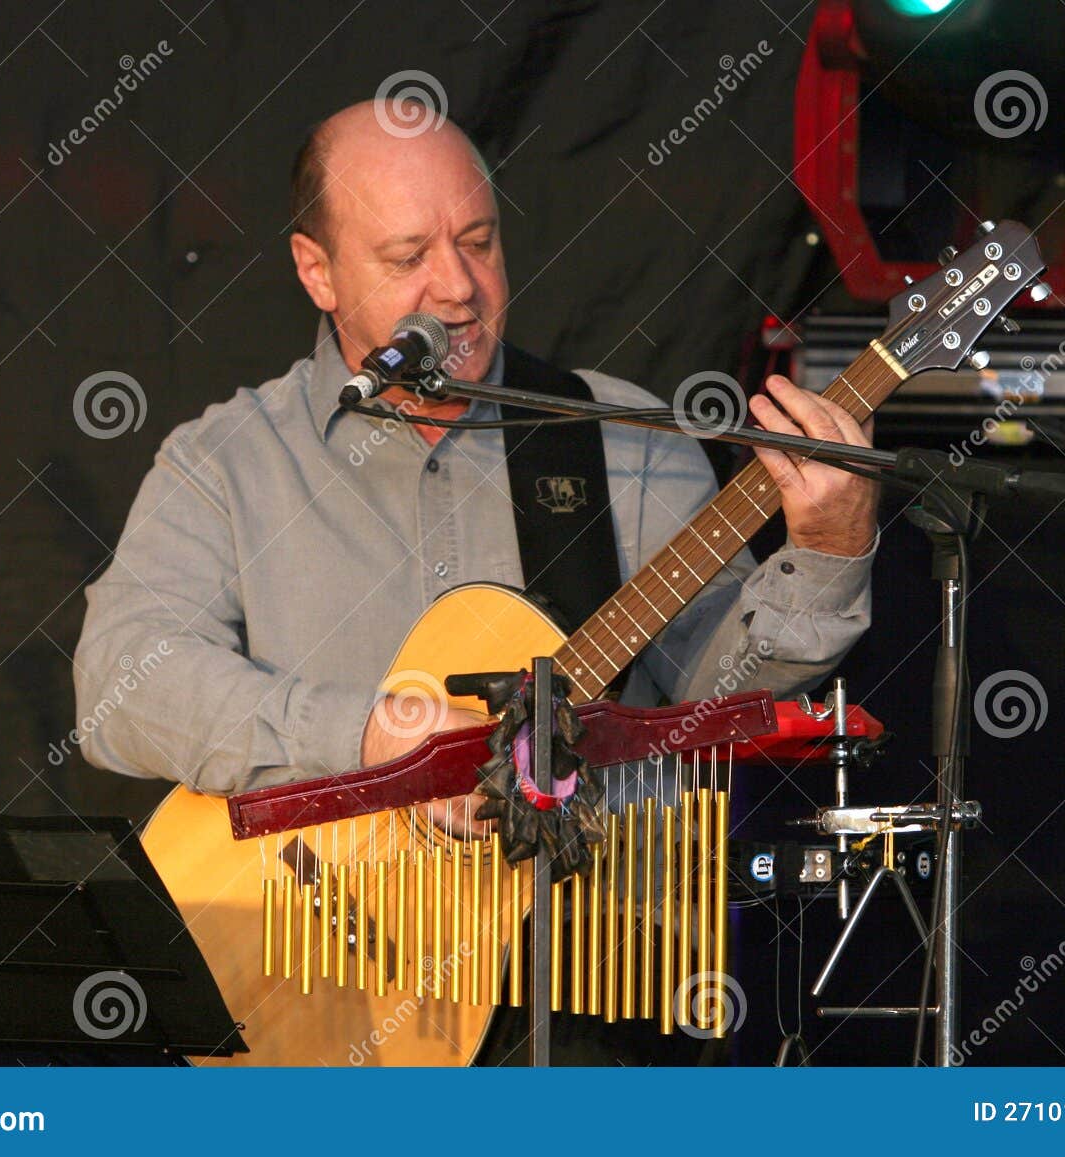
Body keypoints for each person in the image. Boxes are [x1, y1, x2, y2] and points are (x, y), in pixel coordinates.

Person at [71, 99, 878, 1063]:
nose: (458, 286)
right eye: (408, 255)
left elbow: (716, 702)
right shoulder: (228, 459)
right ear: (316, 271)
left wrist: (826, 549)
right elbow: (124, 681)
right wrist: (371, 736)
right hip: (313, 990)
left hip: (580, 1007)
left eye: (480, 241)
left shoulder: (622, 435)